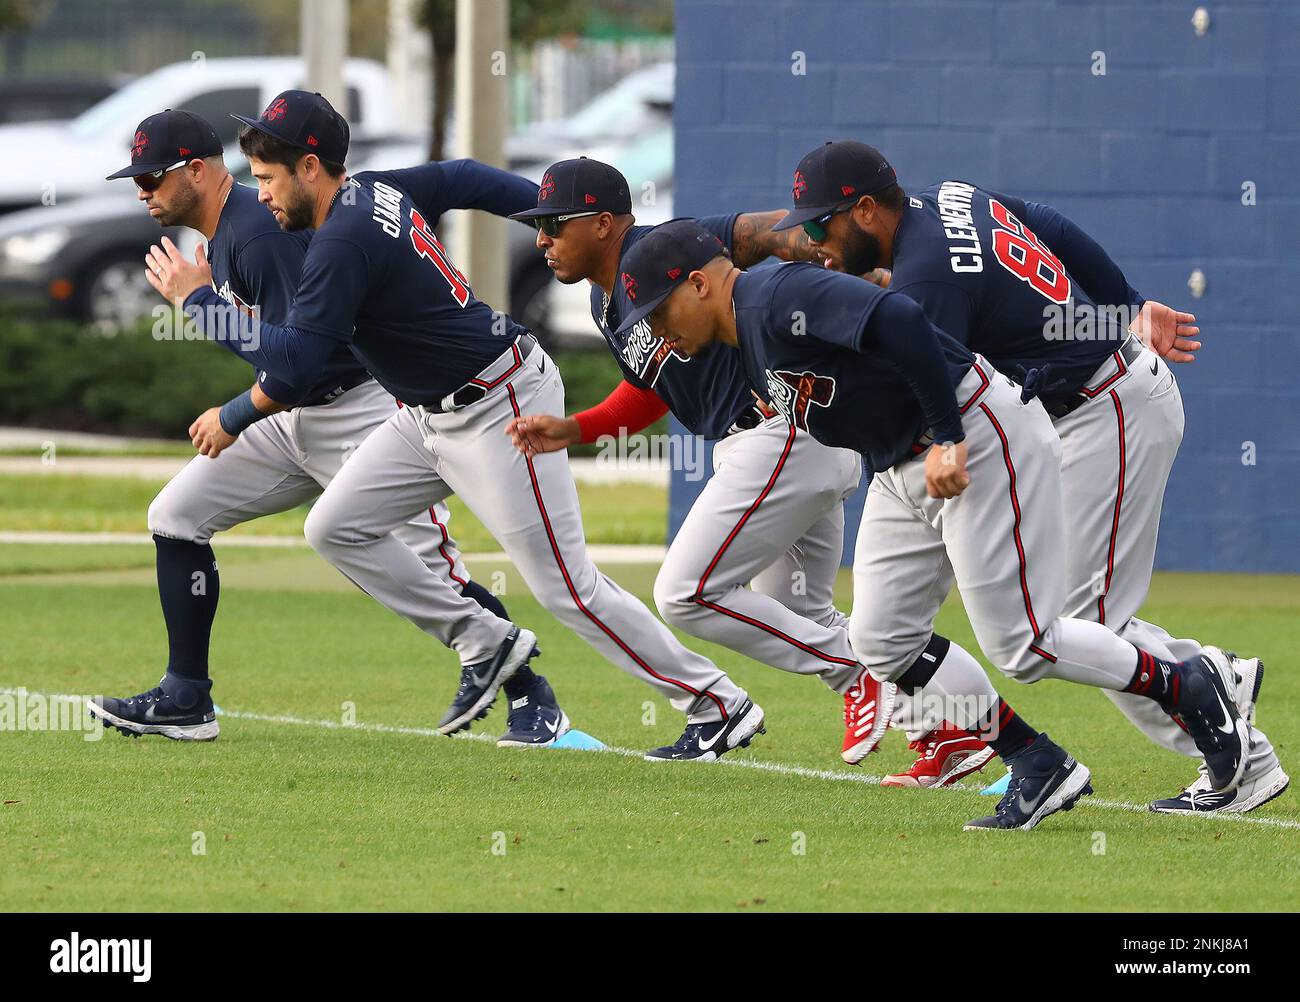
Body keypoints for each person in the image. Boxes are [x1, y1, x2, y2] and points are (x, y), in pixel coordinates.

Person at [142, 90, 765, 762]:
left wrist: (198, 302)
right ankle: (488, 642)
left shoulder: (341, 239)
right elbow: (462, 176)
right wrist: (554, 217)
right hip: (424, 413)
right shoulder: (370, 191)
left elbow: (292, 368)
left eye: (268, 178)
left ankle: (717, 704)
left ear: (313, 168)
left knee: (567, 588)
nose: (259, 193)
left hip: (501, 403)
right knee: (334, 527)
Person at [611, 219, 1251, 830]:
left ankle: (1185, 686)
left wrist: (947, 435)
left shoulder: (775, 295)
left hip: (972, 431)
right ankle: (1037, 762)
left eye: (661, 313)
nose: (660, 335)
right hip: (899, 461)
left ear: (699, 284)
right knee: (882, 638)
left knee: (1025, 645)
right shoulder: (742, 332)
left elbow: (901, 316)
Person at [787, 140, 1286, 813]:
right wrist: (1126, 300)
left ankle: (1236, 746)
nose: (816, 237)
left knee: (1084, 625)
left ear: (868, 210)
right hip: (1087, 400)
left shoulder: (926, 282)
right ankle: (1218, 688)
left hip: (1107, 412)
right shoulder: (952, 199)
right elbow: (1046, 222)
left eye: (823, 223)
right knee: (1082, 623)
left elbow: (934, 378)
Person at [89, 109, 540, 744]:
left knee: (434, 576)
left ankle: (530, 692)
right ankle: (186, 696)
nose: (142, 191)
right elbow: (287, 364)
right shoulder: (234, 228)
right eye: (135, 178)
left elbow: (294, 365)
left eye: (153, 176)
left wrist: (201, 311)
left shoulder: (253, 235)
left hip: (356, 409)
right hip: (292, 413)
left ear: (196, 170)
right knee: (175, 516)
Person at [504, 158, 893, 764]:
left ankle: (852, 671)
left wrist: (859, 265)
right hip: (772, 449)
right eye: (539, 225)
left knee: (686, 592)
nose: (542, 240)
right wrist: (578, 427)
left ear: (604, 223)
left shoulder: (671, 248)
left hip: (783, 432)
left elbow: (774, 233)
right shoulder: (608, 305)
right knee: (799, 611)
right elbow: (651, 388)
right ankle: (952, 721)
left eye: (556, 223)